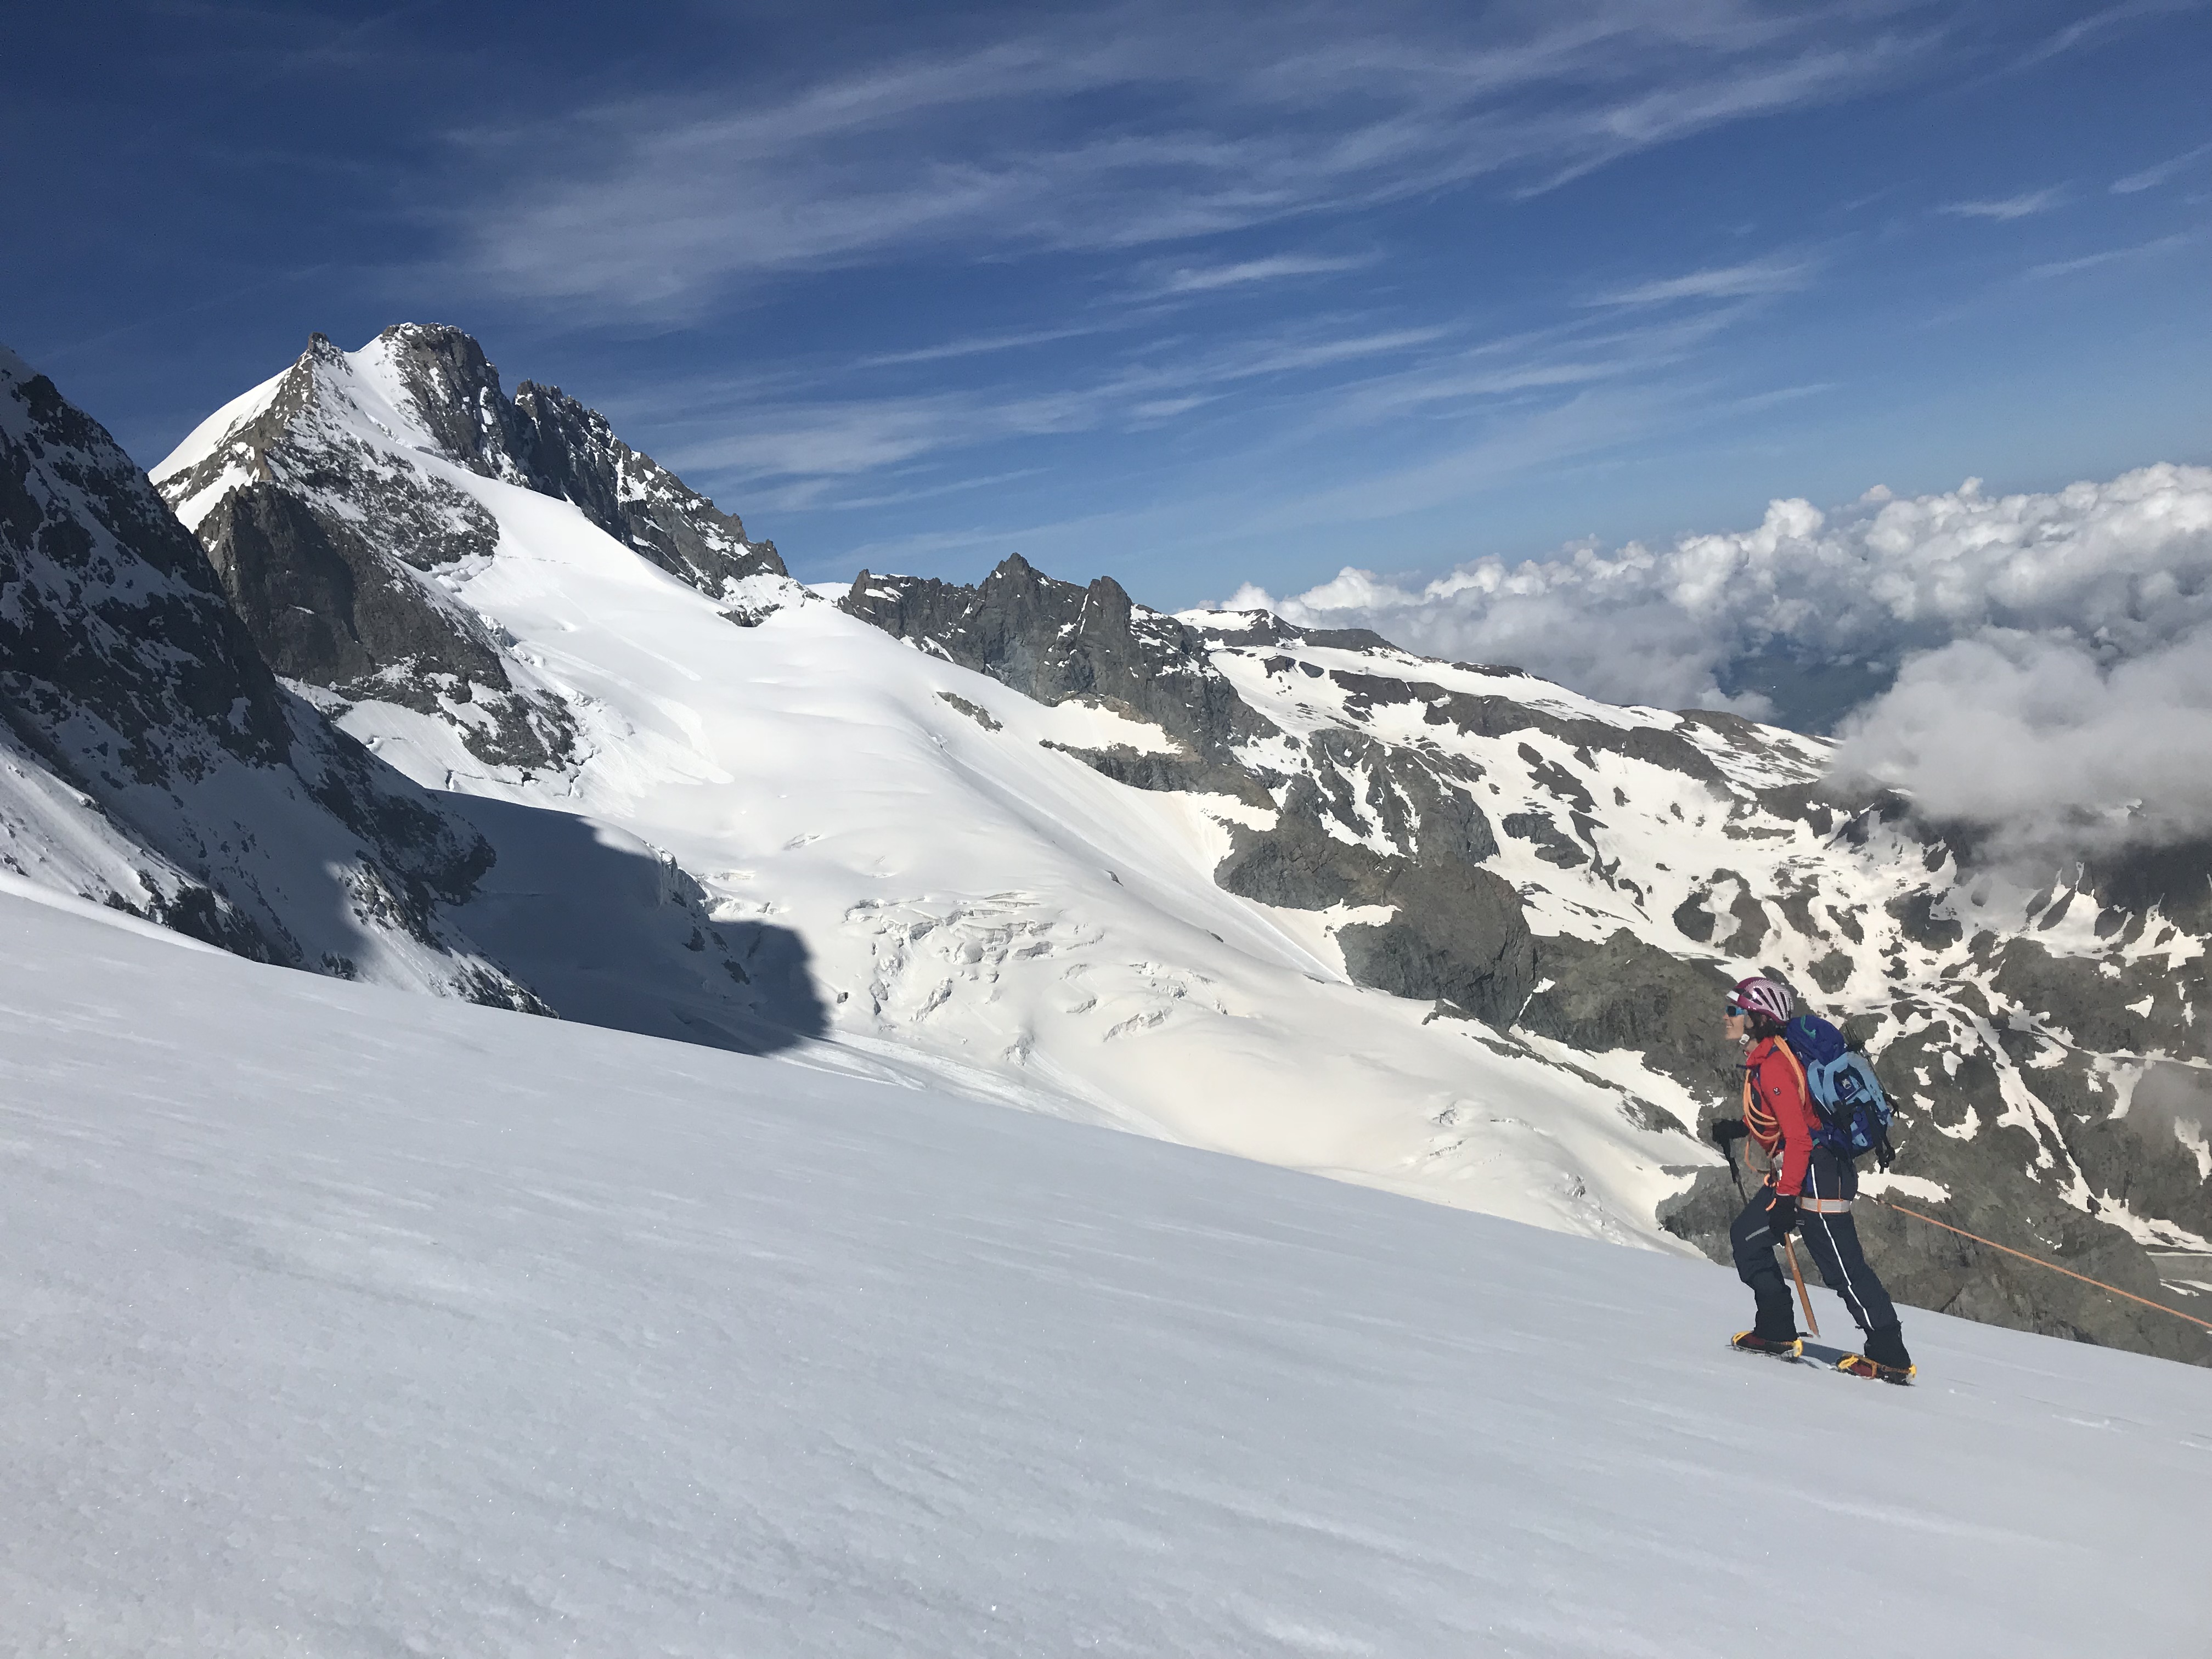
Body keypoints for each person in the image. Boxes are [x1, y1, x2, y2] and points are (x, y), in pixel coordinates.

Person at [1718, 975, 1915, 1381]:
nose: (1728, 1016)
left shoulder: (1773, 1064)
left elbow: (1799, 1137)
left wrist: (1788, 1199)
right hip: (1805, 1172)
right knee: (1747, 1239)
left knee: (1842, 1268)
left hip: (1817, 1174)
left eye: (1735, 1010)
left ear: (1757, 1019)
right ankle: (1776, 1329)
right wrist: (1740, 1128)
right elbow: (1792, 1113)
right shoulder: (1770, 1058)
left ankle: (1889, 1353)